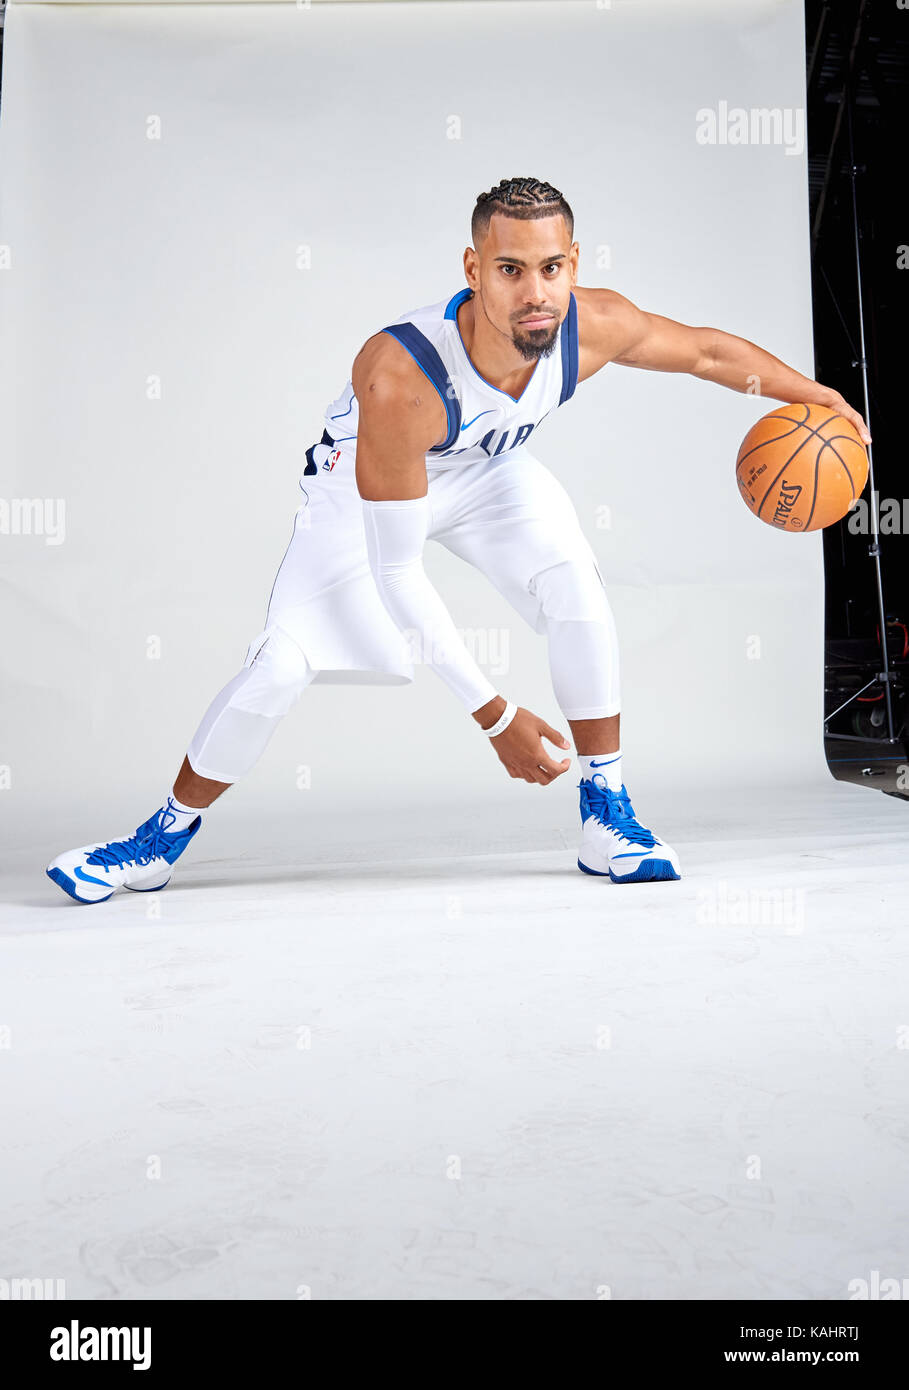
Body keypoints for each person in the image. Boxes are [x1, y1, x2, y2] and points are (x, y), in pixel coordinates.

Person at [46, 176, 871, 903]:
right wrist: (493, 714)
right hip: (365, 496)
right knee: (282, 664)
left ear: (573, 263)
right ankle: (160, 838)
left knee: (576, 587)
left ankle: (605, 812)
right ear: (473, 271)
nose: (534, 292)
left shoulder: (595, 325)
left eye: (550, 268)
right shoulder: (402, 377)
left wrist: (822, 397)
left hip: (484, 472)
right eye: (510, 270)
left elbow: (707, 352)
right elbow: (397, 570)